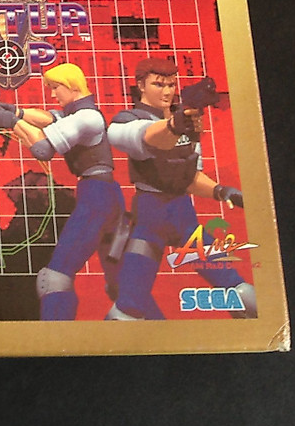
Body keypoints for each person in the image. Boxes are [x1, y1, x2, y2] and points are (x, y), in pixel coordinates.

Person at [105, 56, 253, 320]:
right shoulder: (126, 121)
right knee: (127, 307)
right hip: (150, 223)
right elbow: (148, 138)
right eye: (158, 84)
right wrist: (174, 124)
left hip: (185, 221)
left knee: (240, 293)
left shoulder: (186, 122)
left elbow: (190, 177)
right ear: (141, 85)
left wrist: (220, 191)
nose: (166, 91)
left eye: (171, 84)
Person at [0, 63, 125, 320]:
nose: (53, 94)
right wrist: (13, 110)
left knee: (54, 277)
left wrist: (11, 122)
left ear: (71, 86)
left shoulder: (86, 118)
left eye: (56, 88)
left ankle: (55, 333)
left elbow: (44, 150)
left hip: (96, 196)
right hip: (106, 194)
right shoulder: (81, 114)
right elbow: (49, 119)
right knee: (122, 285)